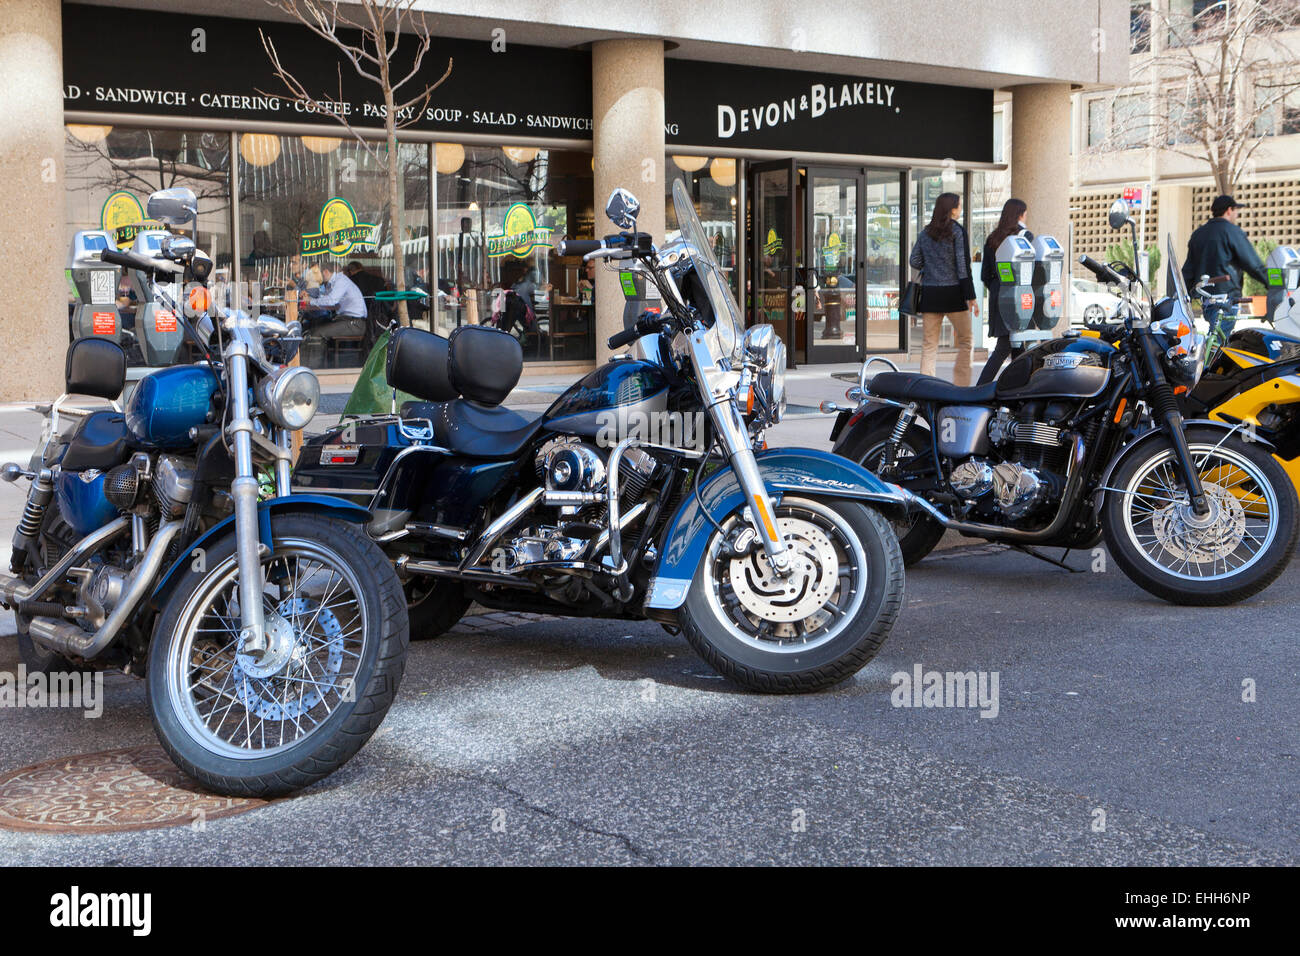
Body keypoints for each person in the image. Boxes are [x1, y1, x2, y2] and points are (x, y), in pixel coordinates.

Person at [908, 192, 978, 385]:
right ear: (952, 209)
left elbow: (914, 260)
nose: (960, 209)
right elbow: (962, 267)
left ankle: (926, 387)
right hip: (954, 294)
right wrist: (971, 296)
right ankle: (961, 385)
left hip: (930, 295)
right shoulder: (957, 231)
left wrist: (929, 267)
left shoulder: (926, 232)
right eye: (959, 205)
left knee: (929, 345)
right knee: (966, 341)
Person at [1182, 195, 1269, 343]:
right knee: (1217, 342)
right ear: (1229, 210)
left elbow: (1189, 269)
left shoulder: (1198, 234)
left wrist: (1182, 295)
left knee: (1217, 337)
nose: (1237, 214)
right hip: (1226, 297)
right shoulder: (1232, 231)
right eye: (1236, 210)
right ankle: (1209, 358)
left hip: (1206, 298)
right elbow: (1252, 263)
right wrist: (1273, 282)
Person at [977, 198, 1032, 385]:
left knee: (1016, 347)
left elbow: (985, 274)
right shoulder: (1025, 236)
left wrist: (998, 288)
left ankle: (1017, 386)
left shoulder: (993, 238)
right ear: (1020, 214)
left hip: (998, 294)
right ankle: (980, 387)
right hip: (1020, 296)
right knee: (1005, 346)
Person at [306, 262, 368, 340]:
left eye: (316, 273)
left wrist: (311, 301)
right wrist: (309, 298)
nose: (315, 277)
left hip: (355, 323)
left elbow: (331, 301)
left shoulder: (341, 280)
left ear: (325, 272)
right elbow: (326, 300)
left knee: (316, 333)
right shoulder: (331, 283)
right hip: (345, 320)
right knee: (314, 326)